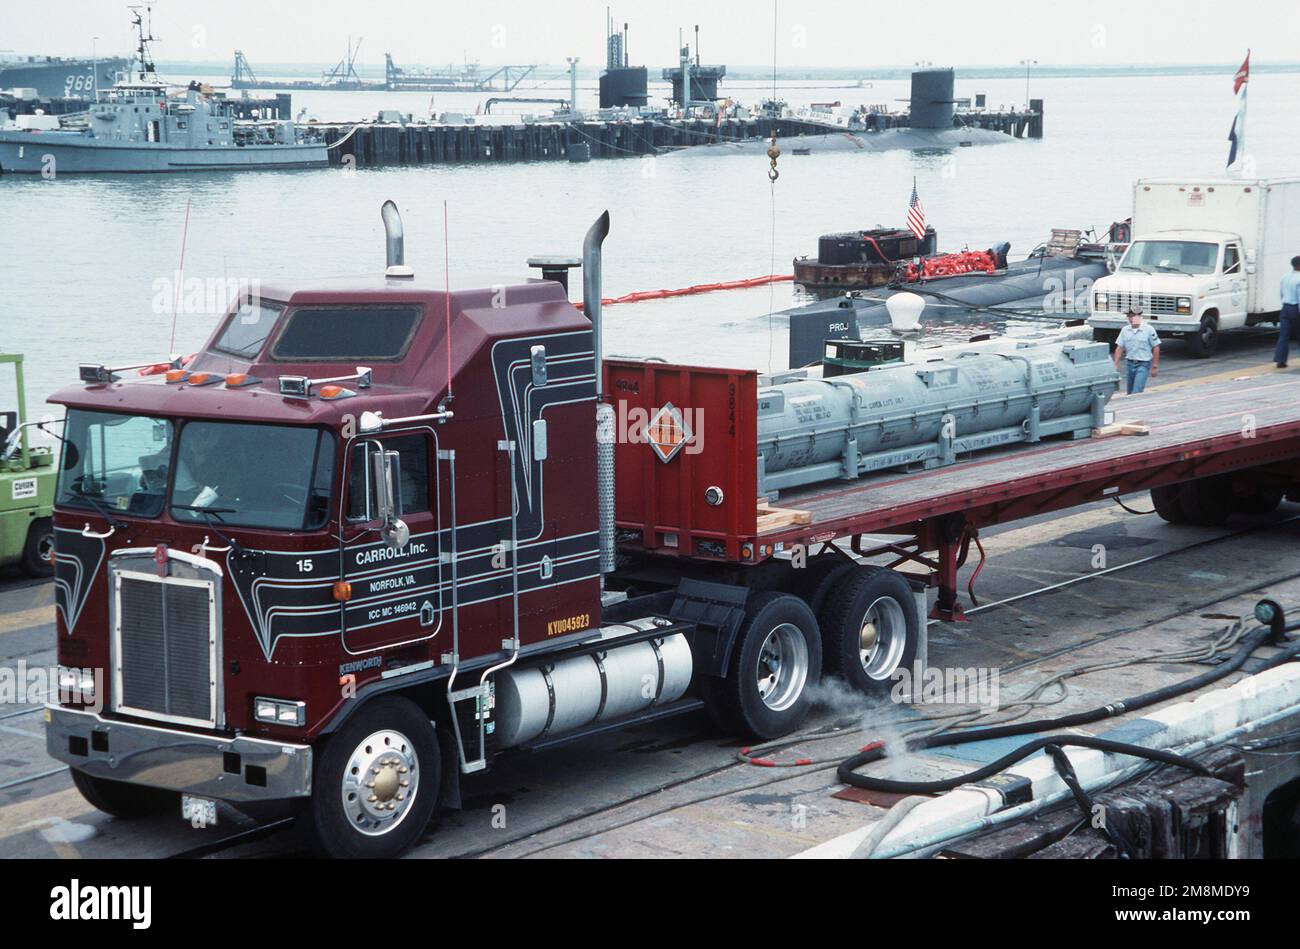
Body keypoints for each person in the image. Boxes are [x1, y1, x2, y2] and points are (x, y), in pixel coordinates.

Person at [1114, 307, 1161, 395]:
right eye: (1129, 316)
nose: (1131, 319)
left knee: (1137, 391)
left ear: (1139, 317)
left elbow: (1156, 347)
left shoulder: (1148, 329)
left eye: (1133, 316)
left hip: (1143, 364)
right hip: (1130, 363)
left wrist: (1155, 366)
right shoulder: (1125, 330)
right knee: (1130, 391)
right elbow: (1119, 347)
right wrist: (1115, 364)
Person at [1276, 256, 1300, 369]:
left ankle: (1280, 360)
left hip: (1285, 307)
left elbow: (1281, 293)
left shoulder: (1285, 277)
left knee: (1283, 336)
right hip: (1295, 308)